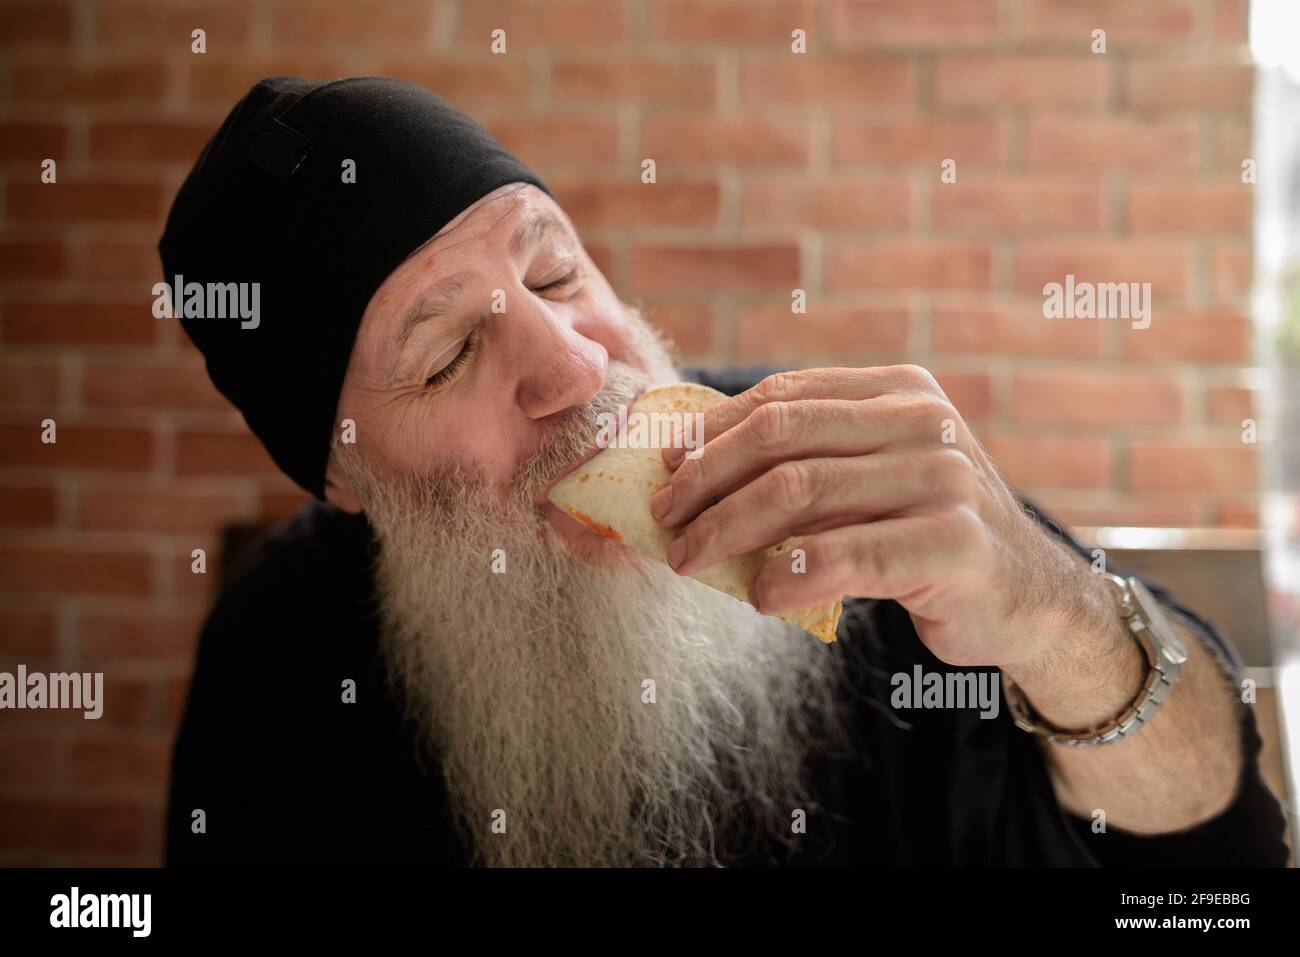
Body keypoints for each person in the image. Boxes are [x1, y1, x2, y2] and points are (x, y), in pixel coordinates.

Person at [160, 76, 1289, 867]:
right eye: (447, 353)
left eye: (553, 274)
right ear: (346, 478)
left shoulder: (827, 480)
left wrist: (1053, 613)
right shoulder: (281, 651)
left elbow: (1205, 856)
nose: (574, 365)